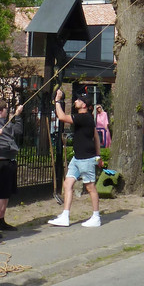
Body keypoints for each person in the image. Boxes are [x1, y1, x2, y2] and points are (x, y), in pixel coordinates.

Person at [48, 93, 102, 227]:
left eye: (78, 100)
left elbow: (61, 117)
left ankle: (96, 217)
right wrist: (99, 155)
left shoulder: (84, 117)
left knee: (90, 187)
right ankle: (65, 215)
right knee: (67, 184)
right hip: (77, 158)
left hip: (86, 158)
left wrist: (57, 101)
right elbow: (96, 137)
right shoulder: (88, 118)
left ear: (84, 105)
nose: (76, 101)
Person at [0, 99, 24, 239]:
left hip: (10, 159)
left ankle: (1, 220)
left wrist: (17, 116)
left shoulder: (4, 123)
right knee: (1, 194)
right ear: (0, 110)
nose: (7, 111)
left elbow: (18, 130)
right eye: (5, 109)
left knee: (6, 193)